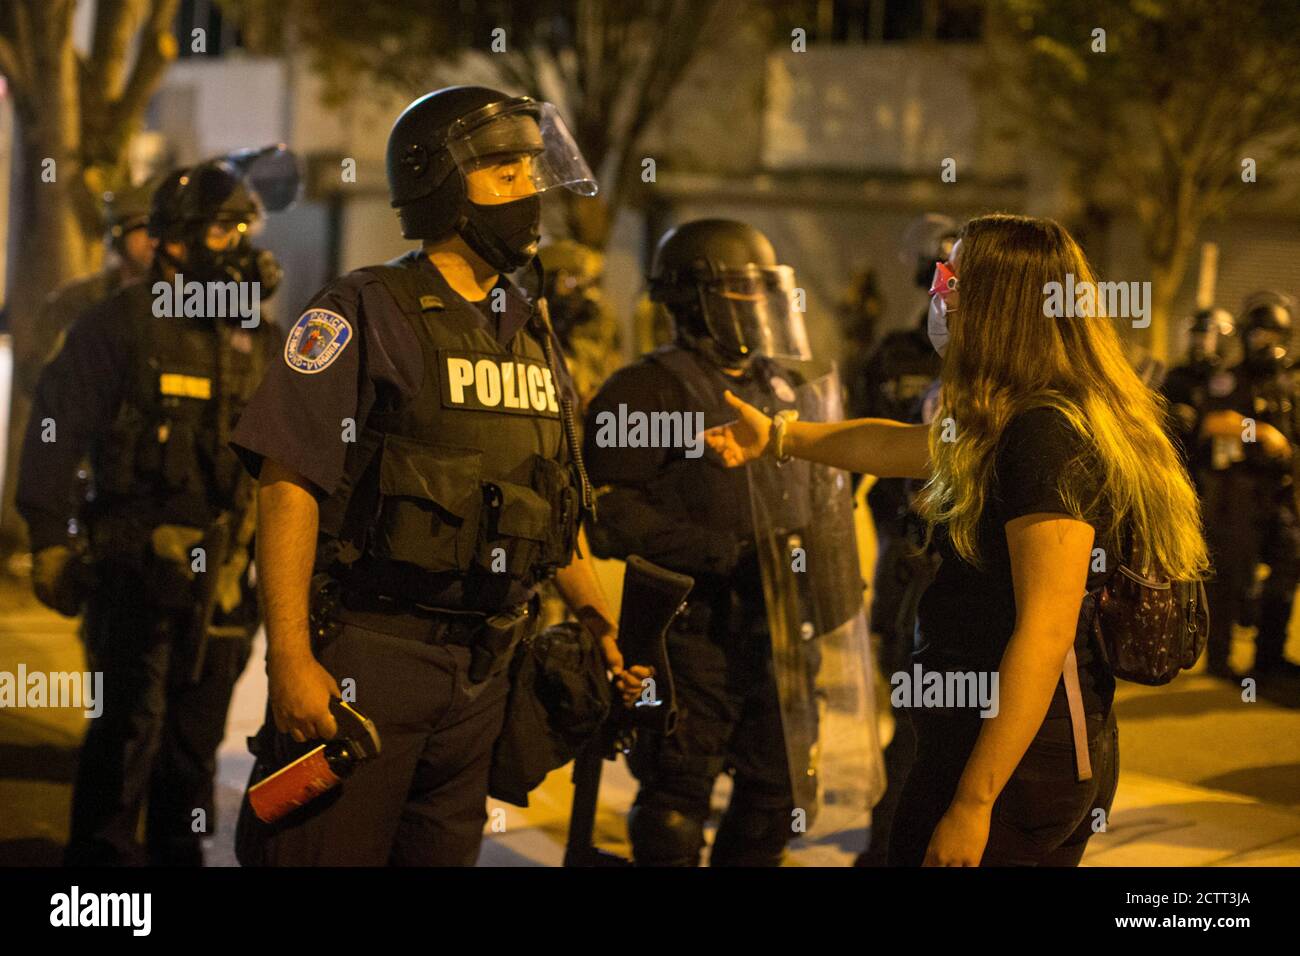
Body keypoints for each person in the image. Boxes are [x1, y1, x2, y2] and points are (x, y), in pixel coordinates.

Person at [708, 213, 1209, 866]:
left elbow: (1044, 633)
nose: (940, 290)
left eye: (955, 276)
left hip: (1017, 763)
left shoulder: (1044, 435)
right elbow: (896, 446)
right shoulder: (1013, 418)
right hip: (995, 744)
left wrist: (973, 805)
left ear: (1002, 305)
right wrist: (778, 436)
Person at [228, 86, 644, 867]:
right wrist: (289, 658)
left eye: (530, 166)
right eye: (503, 170)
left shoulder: (529, 331)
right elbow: (288, 481)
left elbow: (553, 511)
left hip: (484, 677)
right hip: (372, 659)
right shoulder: (362, 310)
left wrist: (599, 623)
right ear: (439, 184)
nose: (528, 188)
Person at [17, 158, 284, 865]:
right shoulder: (120, 324)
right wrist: (49, 538)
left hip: (226, 586)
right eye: (225, 229)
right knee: (122, 743)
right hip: (133, 574)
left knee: (192, 762)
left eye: (243, 229)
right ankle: (100, 893)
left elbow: (296, 465)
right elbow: (56, 426)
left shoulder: (261, 338)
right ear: (175, 241)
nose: (242, 245)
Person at [582, 218, 809, 867]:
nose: (761, 304)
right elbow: (610, 514)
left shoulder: (782, 385)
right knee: (676, 799)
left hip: (778, 631)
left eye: (766, 290)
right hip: (690, 631)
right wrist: (723, 552)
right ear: (694, 297)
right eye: (745, 290)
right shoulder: (645, 390)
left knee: (777, 791)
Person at [1197, 292, 1300, 680]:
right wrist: (1258, 431)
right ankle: (1219, 663)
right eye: (1257, 333)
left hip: (1282, 493)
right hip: (1239, 492)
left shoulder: (1289, 380)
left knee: (1287, 570)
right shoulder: (1230, 378)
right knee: (1230, 577)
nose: (1264, 341)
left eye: (1272, 334)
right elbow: (1213, 421)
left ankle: (1269, 659)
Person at [22, 177, 162, 394]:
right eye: (142, 227)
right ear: (119, 235)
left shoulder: (180, 303)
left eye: (160, 230)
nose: (153, 240)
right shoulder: (77, 301)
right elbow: (36, 372)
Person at [538, 239, 622, 414]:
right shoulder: (531, 321)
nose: (579, 289)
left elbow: (609, 365)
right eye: (569, 280)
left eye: (579, 280)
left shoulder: (596, 317)